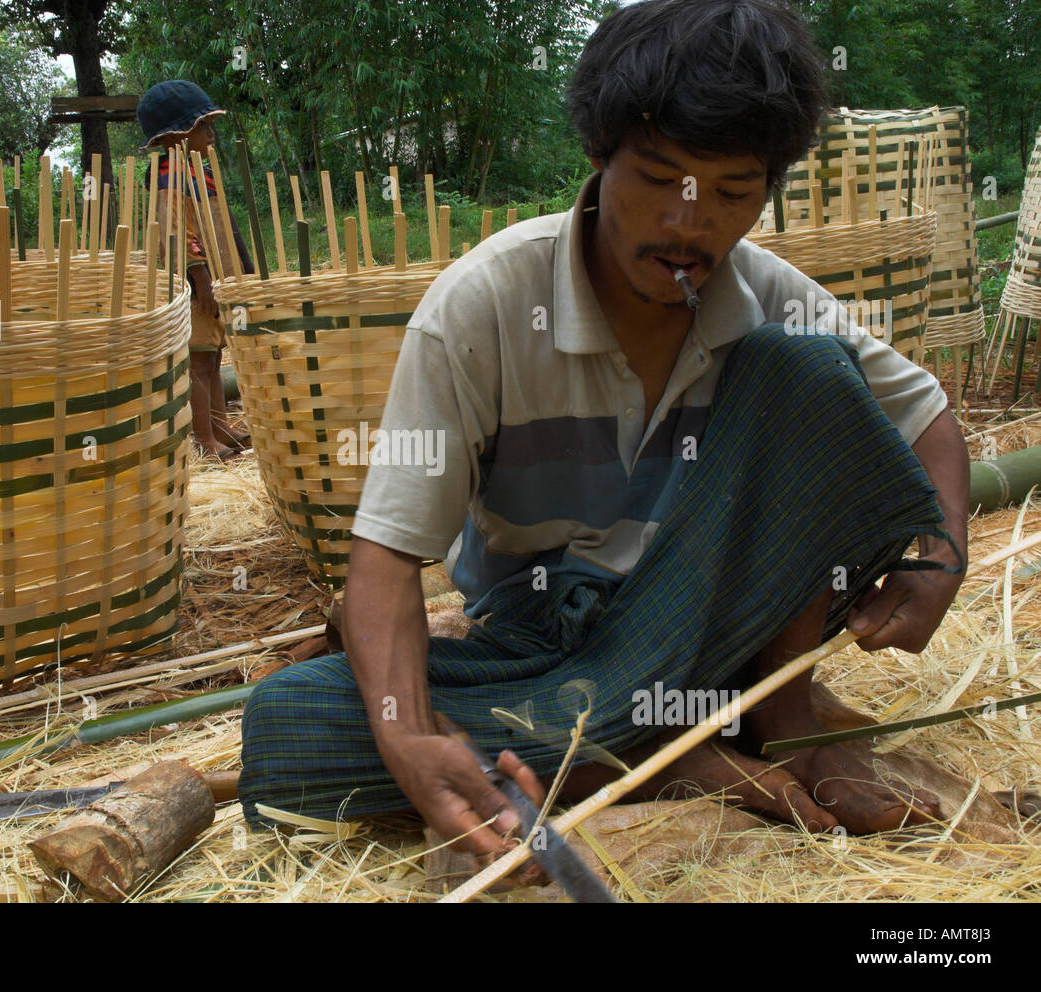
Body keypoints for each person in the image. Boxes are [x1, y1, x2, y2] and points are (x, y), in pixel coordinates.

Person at [238, 0, 970, 866]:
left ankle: (780, 716)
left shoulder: (772, 296)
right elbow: (388, 558)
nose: (687, 226)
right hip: (539, 642)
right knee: (287, 730)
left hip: (721, 626)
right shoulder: (481, 309)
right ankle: (687, 753)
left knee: (806, 368)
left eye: (731, 193)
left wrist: (941, 553)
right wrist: (406, 740)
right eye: (657, 179)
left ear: (767, 190)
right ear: (598, 156)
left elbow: (927, 417)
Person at [138, 80, 253, 460]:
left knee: (214, 356)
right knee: (199, 361)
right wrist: (199, 275)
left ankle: (219, 427)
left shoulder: (195, 170)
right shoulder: (170, 176)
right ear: (175, 136)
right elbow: (177, 232)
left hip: (214, 280)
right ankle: (203, 439)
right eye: (203, 125)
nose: (211, 133)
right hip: (193, 284)